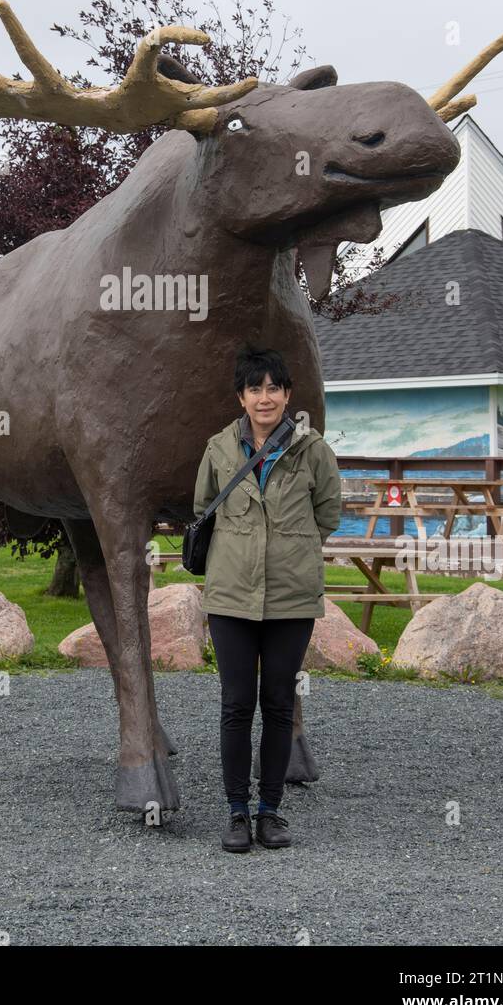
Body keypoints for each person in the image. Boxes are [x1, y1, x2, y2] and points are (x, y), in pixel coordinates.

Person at [192, 343, 342, 852]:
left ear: (287, 395)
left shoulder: (312, 449)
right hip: (231, 598)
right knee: (236, 705)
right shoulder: (218, 449)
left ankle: (270, 812)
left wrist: (289, 551)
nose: (264, 397)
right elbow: (202, 509)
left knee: (279, 705)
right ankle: (236, 812)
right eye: (254, 388)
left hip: (291, 599)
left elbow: (327, 515)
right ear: (241, 397)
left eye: (273, 388)